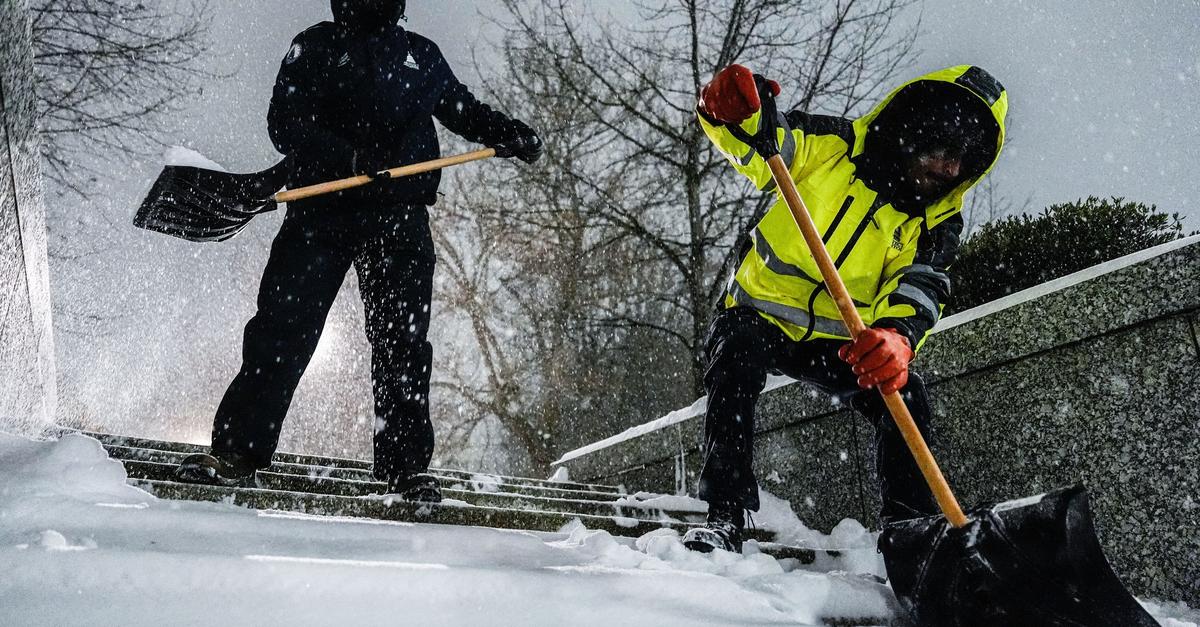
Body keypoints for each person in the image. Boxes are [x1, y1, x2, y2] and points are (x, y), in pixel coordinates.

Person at [175, 0, 542, 502]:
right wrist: (348, 157)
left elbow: (462, 109)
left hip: (399, 218)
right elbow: (284, 123)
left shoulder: (421, 55)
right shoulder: (315, 45)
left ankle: (404, 470)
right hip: (320, 211)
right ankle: (238, 452)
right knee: (281, 331)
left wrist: (507, 133)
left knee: (403, 346)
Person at [683, 65, 1008, 552]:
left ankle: (909, 537)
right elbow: (762, 141)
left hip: (841, 342)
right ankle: (724, 514)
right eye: (943, 151)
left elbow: (921, 285)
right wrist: (730, 110)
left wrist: (897, 338)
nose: (950, 169)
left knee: (906, 397)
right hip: (760, 314)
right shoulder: (832, 146)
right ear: (916, 130)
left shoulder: (935, 223)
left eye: (962, 161)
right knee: (736, 354)